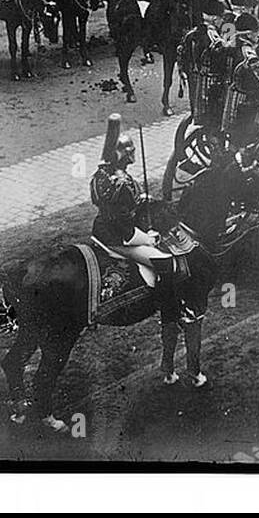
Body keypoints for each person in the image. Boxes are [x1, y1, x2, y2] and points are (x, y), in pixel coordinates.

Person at [89, 114, 191, 382]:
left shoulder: (101, 175)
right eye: (128, 148)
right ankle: (171, 312)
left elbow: (113, 206)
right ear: (118, 153)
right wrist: (150, 238)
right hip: (121, 240)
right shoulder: (122, 183)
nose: (133, 151)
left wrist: (140, 199)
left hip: (99, 231)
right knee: (167, 263)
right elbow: (126, 229)